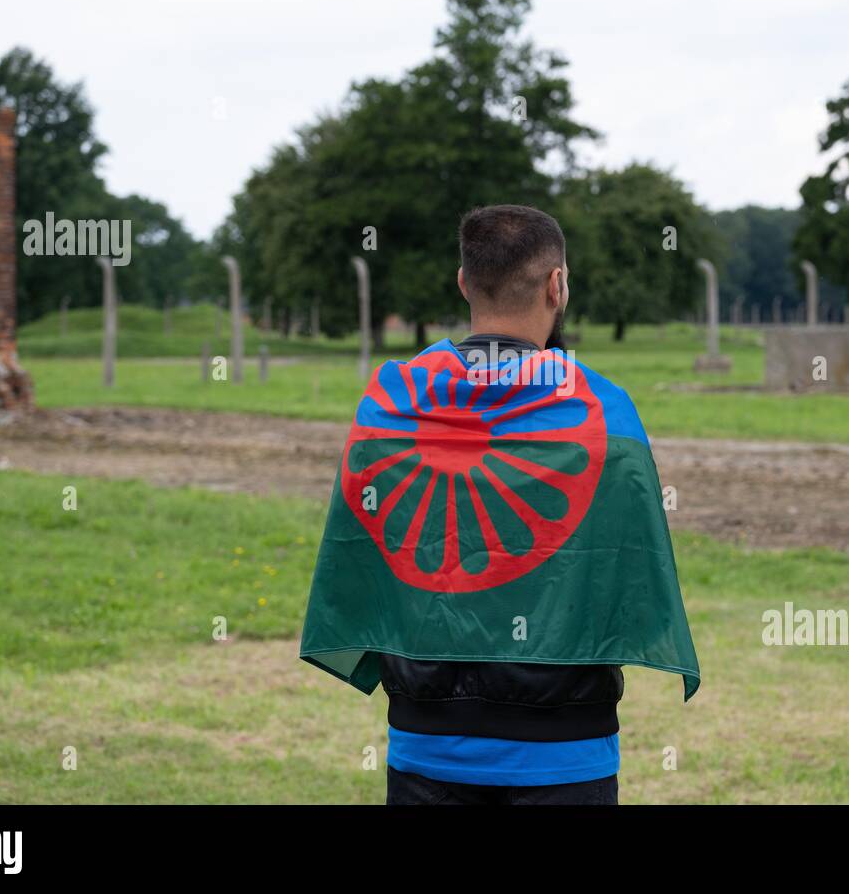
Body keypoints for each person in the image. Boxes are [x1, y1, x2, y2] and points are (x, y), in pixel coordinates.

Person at [298, 203, 699, 806]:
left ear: (463, 282)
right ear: (556, 285)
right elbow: (626, 569)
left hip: (425, 749)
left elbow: (365, 560)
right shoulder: (605, 413)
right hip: (568, 755)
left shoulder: (388, 405)